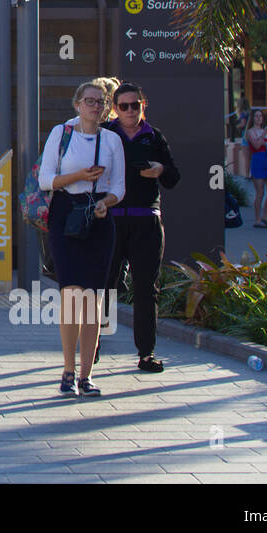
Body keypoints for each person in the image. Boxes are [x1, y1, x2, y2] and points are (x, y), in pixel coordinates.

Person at [38, 81, 125, 397]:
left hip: (98, 216)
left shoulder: (112, 140)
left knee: (94, 300)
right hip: (65, 214)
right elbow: (46, 180)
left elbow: (119, 186)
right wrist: (79, 176)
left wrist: (106, 202)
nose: (95, 106)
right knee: (72, 295)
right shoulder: (61, 134)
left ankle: (86, 375)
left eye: (101, 101)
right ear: (77, 105)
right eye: (89, 101)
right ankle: (67, 370)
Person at [102, 82, 180, 373]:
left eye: (136, 105)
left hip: (146, 219)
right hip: (110, 219)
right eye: (124, 106)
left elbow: (174, 176)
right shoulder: (106, 134)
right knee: (103, 286)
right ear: (115, 108)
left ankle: (146, 354)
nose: (131, 111)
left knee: (147, 289)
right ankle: (92, 347)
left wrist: (160, 169)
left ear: (143, 106)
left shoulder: (154, 136)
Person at [245, 109, 267, 228]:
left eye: (260, 116)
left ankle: (265, 216)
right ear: (253, 118)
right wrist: (263, 135)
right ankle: (257, 219)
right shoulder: (250, 132)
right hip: (257, 160)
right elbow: (256, 145)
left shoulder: (266, 132)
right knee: (260, 192)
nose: (258, 118)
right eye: (256, 116)